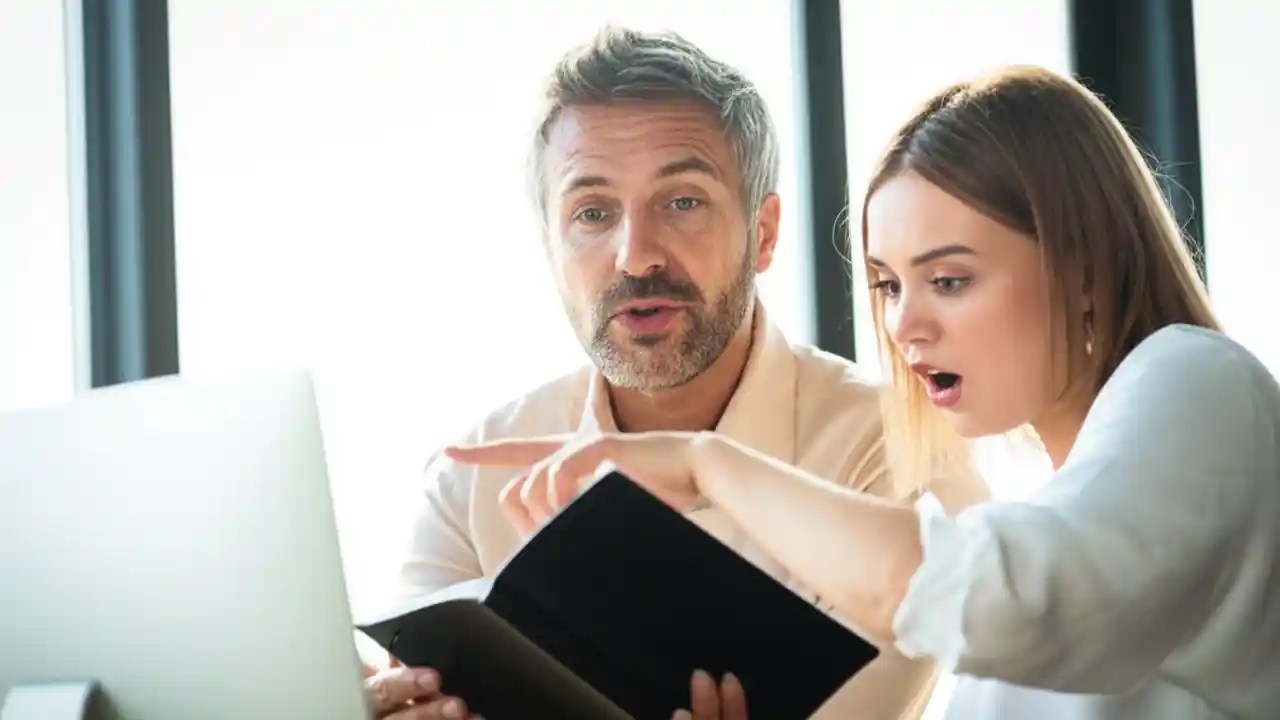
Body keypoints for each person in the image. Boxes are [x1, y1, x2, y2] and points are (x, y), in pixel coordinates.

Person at [449, 65, 1280, 719]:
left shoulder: (1194, 376)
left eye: (949, 279)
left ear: (1086, 268)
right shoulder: (1068, 502)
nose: (905, 326)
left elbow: (1001, 599)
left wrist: (707, 464)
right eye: (886, 285)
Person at [362, 26, 987, 720]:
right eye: (592, 213)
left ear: (765, 232)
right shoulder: (470, 477)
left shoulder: (898, 457)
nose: (636, 257)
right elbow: (405, 688)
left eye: (682, 201)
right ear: (550, 248)